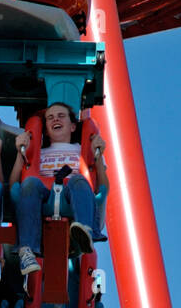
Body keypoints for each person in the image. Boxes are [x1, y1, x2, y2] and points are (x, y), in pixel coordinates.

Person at [9, 104, 108, 274]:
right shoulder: (39, 153)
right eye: (50, 117)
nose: (55, 119)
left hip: (72, 199)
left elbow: (101, 186)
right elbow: (14, 185)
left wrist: (98, 155)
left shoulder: (81, 151)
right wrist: (20, 153)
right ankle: (27, 250)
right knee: (30, 183)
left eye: (61, 116)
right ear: (46, 130)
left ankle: (84, 230)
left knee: (78, 179)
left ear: (73, 126)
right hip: (45, 200)